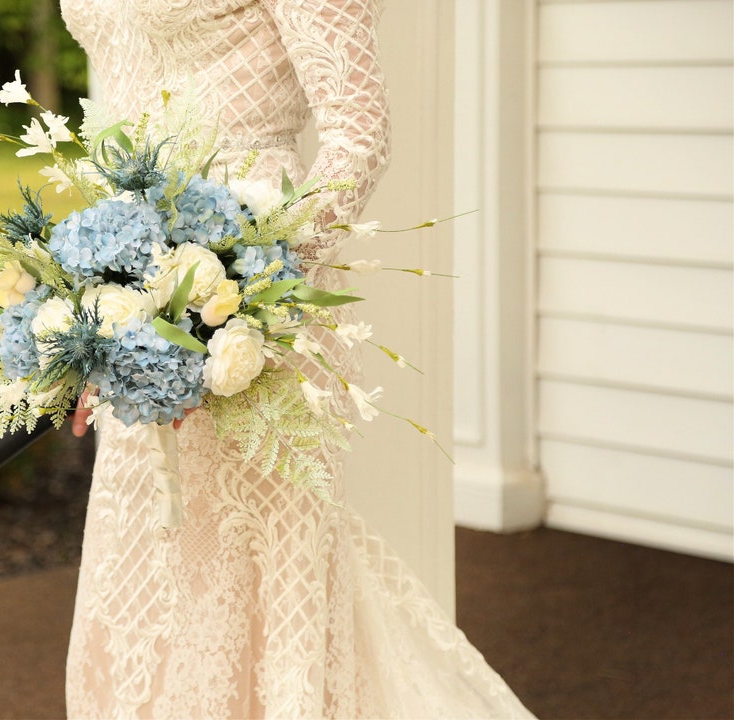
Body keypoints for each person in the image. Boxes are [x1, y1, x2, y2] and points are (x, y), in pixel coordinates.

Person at [59, 0, 535, 717]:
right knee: (144, 565)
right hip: (127, 274)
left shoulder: (245, 290)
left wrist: (243, 291)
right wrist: (90, 306)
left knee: (247, 568)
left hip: (247, 291)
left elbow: (359, 135)